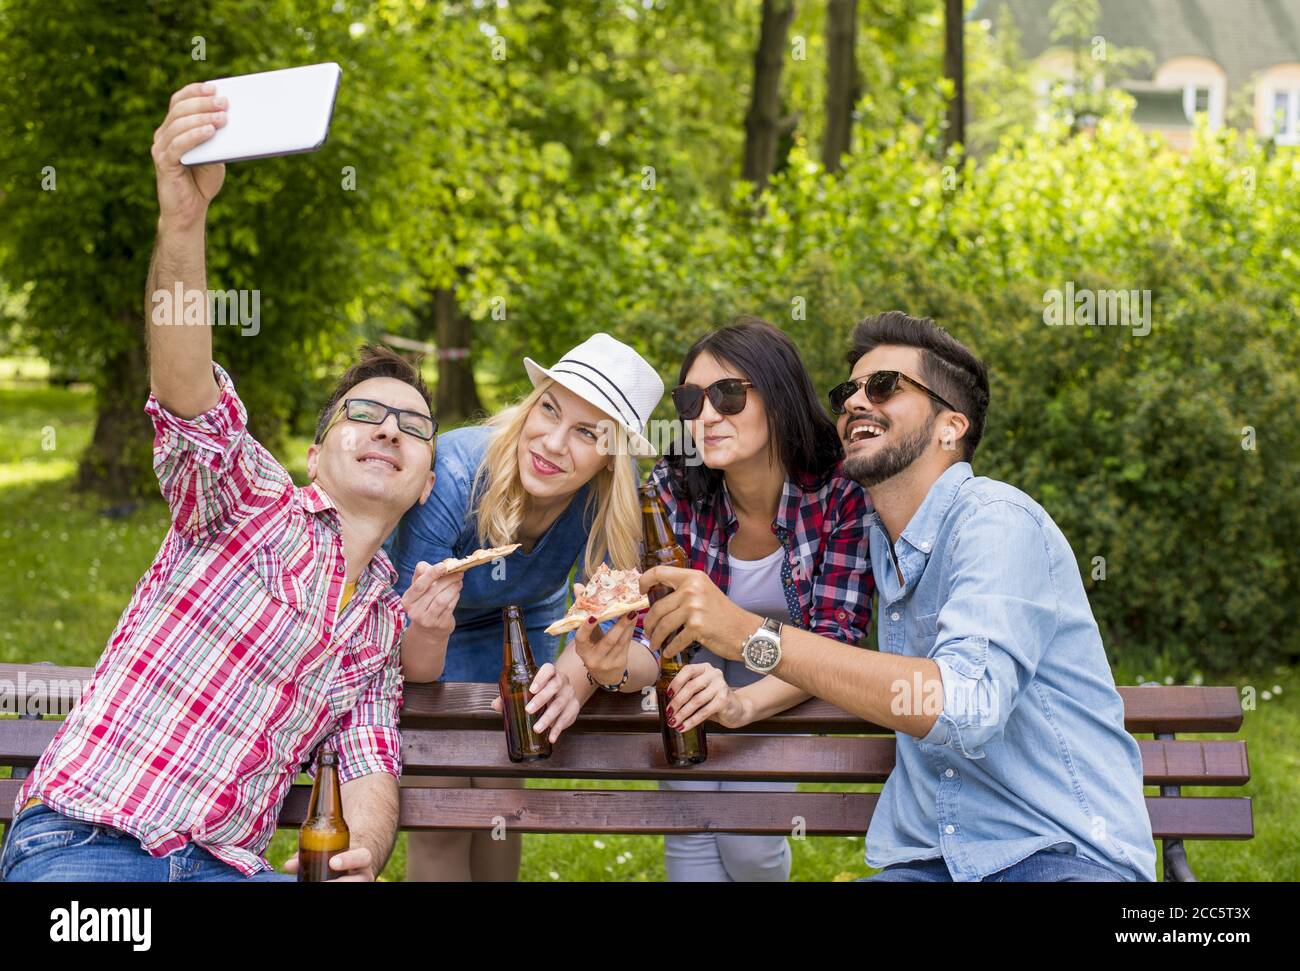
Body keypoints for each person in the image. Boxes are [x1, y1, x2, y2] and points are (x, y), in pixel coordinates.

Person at [1, 83, 434, 882]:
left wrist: (367, 848)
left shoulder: (379, 624)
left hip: (225, 870)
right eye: (365, 412)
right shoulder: (250, 502)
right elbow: (186, 392)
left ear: (426, 480)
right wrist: (183, 221)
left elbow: (372, 760)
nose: (389, 429)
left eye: (413, 426)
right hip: (91, 841)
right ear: (314, 452)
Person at [640, 310, 1158, 882]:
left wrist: (746, 635)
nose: (858, 402)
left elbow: (966, 709)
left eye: (884, 386)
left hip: (1058, 857)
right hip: (926, 864)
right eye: (849, 391)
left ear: (950, 426)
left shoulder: (996, 522)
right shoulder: (880, 545)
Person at [389, 333, 665, 881]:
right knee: (441, 808)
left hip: (526, 618)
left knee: (499, 805)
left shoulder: (612, 496)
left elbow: (616, 629)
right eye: (549, 409)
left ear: (612, 456)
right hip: (427, 630)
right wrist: (426, 633)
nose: (553, 443)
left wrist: (573, 674)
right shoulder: (457, 474)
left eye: (587, 432)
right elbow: (403, 639)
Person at [637, 317, 875, 882]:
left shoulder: (841, 493)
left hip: (787, 677)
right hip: (694, 676)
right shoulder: (669, 487)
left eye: (728, 395)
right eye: (692, 400)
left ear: (779, 395)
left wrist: (743, 705)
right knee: (691, 837)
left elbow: (831, 644)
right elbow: (656, 631)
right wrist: (612, 661)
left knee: (749, 847)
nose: (708, 415)